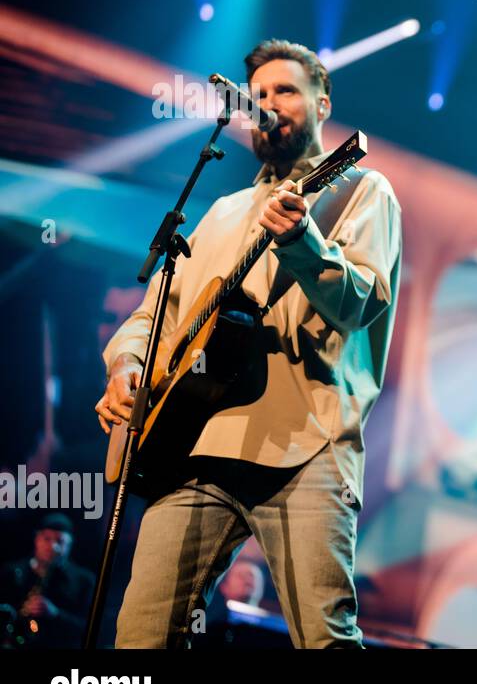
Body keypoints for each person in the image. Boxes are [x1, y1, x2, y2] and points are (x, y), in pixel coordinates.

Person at [95, 39, 402, 648]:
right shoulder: (224, 211)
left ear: (322, 102)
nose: (267, 104)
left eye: (284, 90)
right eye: (257, 95)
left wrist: (304, 243)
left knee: (326, 639)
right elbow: (156, 312)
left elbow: (361, 302)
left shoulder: (360, 191)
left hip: (307, 445)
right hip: (199, 443)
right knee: (140, 636)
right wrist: (126, 365)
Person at [0, 513, 94, 648]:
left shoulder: (84, 580)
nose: (53, 547)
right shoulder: (11, 572)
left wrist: (55, 613)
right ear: (36, 539)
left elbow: (87, 627)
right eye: (47, 539)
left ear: (70, 544)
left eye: (60, 541)